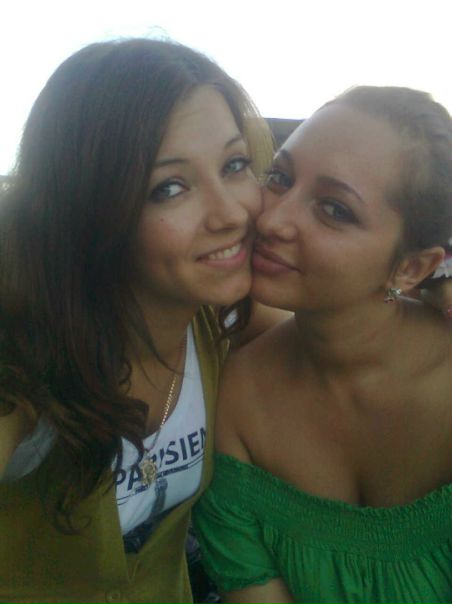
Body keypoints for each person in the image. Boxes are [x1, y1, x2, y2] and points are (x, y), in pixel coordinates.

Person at [0, 37, 283, 604]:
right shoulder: (25, 359)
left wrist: (433, 284)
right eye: (169, 188)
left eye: (234, 165)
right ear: (89, 208)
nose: (230, 214)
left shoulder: (218, 322)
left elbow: (350, 342)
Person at [193, 86, 452, 603]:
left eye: (334, 209)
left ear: (411, 267)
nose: (271, 221)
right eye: (279, 178)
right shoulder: (239, 399)